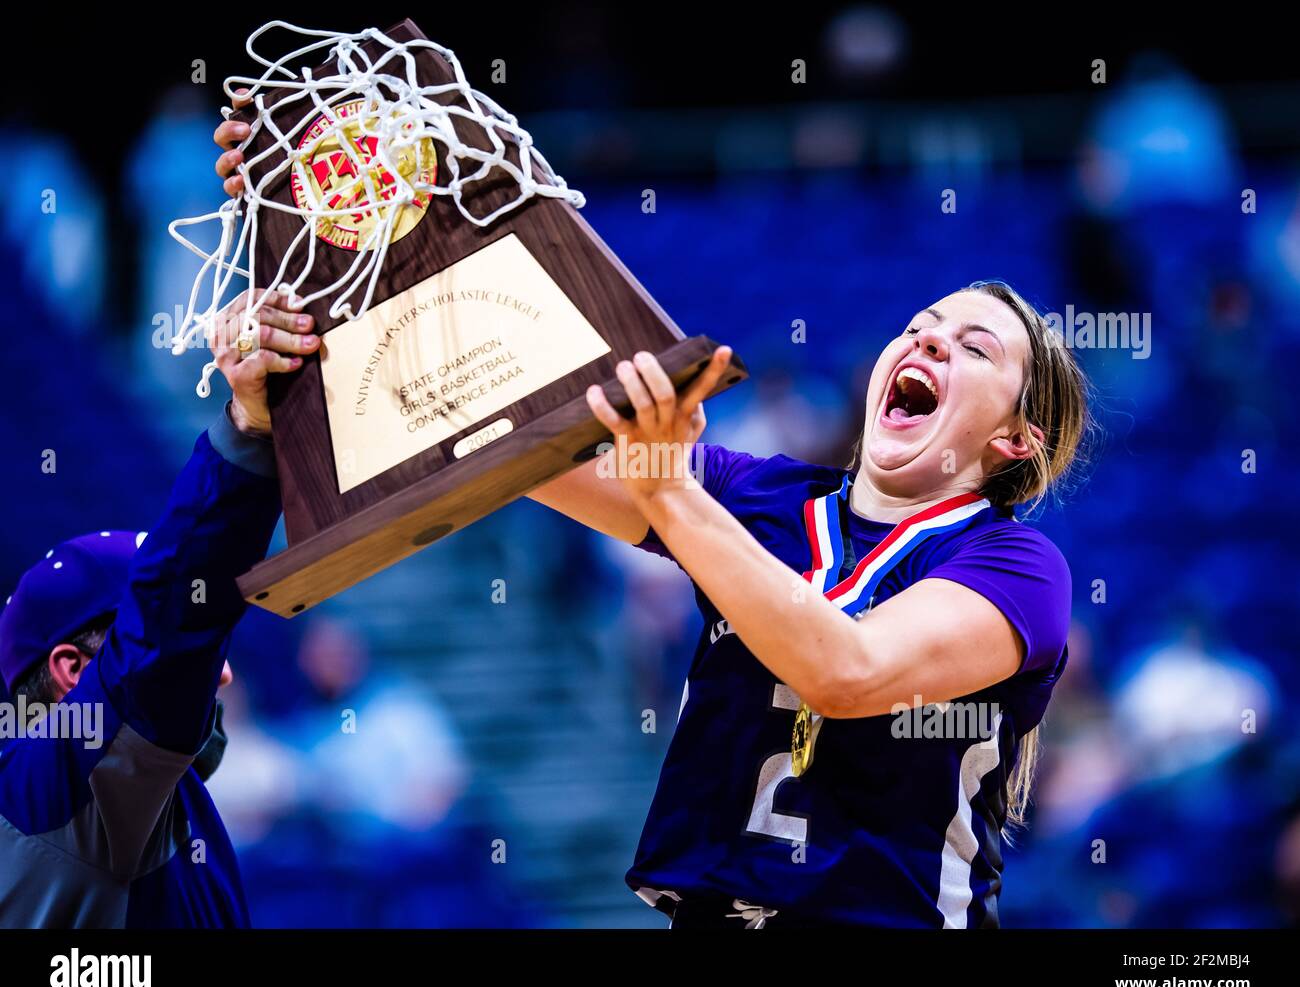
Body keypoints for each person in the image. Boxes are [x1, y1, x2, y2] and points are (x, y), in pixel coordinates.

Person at [213, 128, 1091, 931]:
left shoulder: (1016, 564)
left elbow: (847, 671)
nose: (929, 344)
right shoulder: (761, 493)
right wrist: (352, 232)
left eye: (974, 348)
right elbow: (509, 437)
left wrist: (669, 490)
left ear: (1017, 438)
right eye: (919, 328)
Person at [0, 289, 318, 927]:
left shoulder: (140, 797)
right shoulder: (60, 787)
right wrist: (251, 429)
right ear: (70, 672)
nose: (224, 673)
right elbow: (170, 622)